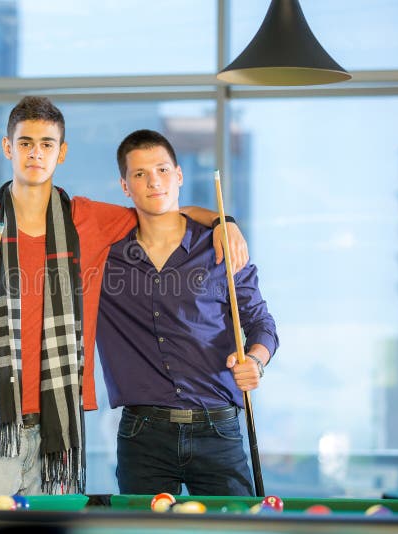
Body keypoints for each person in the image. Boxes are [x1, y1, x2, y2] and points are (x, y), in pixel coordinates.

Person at [0, 97, 249, 497]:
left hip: (59, 435)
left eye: (46, 144)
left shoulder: (88, 219)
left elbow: (160, 209)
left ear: (61, 152)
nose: (35, 153)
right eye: (25, 143)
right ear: (8, 148)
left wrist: (223, 221)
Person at [96, 129, 279, 496]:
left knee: (236, 524)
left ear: (179, 175)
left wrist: (256, 361)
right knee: (142, 526)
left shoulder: (220, 248)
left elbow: (261, 323)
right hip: (142, 434)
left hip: (218, 428)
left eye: (162, 170)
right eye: (140, 174)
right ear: (125, 186)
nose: (154, 182)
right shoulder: (104, 256)